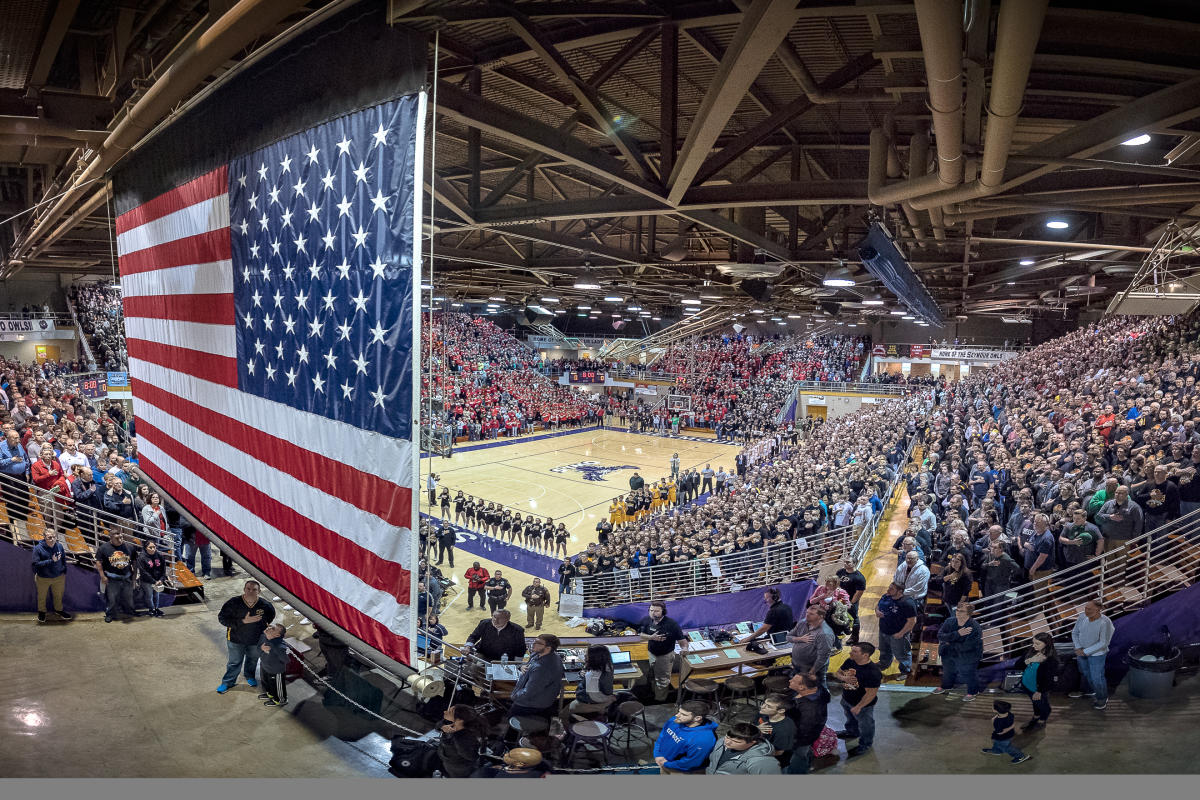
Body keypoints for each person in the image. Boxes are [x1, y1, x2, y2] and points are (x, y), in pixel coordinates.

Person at [216, 579, 276, 693]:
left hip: (255, 640)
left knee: (253, 660)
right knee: (234, 662)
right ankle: (227, 682)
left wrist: (262, 627)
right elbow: (222, 618)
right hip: (235, 639)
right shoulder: (233, 603)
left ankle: (250, 676)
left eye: (254, 589)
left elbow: (270, 617)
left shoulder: (265, 606)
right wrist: (243, 621)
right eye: (248, 589)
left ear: (259, 591)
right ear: (244, 589)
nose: (251, 591)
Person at [835, 642, 882, 757]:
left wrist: (859, 707)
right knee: (850, 719)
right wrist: (844, 678)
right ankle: (851, 732)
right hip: (846, 699)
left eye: (855, 651)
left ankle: (865, 744)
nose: (850, 652)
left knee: (866, 726)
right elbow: (837, 673)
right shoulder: (850, 661)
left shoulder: (873, 672)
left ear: (865, 655)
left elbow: (871, 694)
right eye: (852, 650)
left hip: (863, 706)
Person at [636, 600, 687, 702]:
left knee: (662, 680)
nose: (653, 613)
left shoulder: (672, 624)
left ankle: (660, 700)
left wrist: (685, 648)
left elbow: (682, 641)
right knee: (652, 675)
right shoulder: (646, 620)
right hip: (651, 653)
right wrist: (651, 637)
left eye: (656, 611)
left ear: (663, 612)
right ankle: (653, 692)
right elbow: (639, 635)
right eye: (651, 610)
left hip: (665, 656)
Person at [1069, 599, 1115, 710]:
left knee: (1097, 678)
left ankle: (1102, 698)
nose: (1086, 611)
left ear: (1098, 610)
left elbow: (1104, 642)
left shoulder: (1106, 622)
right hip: (1081, 651)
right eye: (1085, 608)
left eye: (1089, 609)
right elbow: (1075, 632)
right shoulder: (1082, 617)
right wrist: (1078, 647)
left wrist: (1085, 651)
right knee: (1086, 673)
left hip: (1097, 655)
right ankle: (1092, 691)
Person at [932, 602, 982, 700]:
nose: (958, 613)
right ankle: (946, 686)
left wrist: (949, 642)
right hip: (949, 653)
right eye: (957, 610)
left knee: (968, 673)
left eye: (962, 611)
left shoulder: (975, 627)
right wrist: (957, 634)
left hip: (968, 655)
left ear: (969, 613)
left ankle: (973, 692)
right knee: (948, 671)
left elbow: (967, 646)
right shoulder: (949, 621)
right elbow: (940, 635)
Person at [653, 700, 718, 774]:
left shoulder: (703, 739)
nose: (677, 715)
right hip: (663, 761)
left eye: (683, 714)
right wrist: (658, 755)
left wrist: (666, 764)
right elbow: (662, 737)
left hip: (682, 771)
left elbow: (691, 762)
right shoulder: (675, 720)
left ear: (697, 718)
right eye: (679, 712)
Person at [508, 634, 564, 720]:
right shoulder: (544, 655)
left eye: (538, 643)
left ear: (548, 648)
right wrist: (522, 666)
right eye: (535, 641)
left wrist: (515, 696)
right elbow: (529, 664)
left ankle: (513, 732)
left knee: (511, 717)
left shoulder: (542, 668)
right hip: (537, 698)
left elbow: (529, 692)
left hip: (533, 704)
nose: (533, 644)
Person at [786, 671, 830, 774]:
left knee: (799, 755)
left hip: (802, 739)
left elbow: (804, 731)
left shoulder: (811, 710)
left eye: (793, 681)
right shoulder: (815, 689)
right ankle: (807, 760)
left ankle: (797, 773)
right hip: (805, 733)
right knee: (805, 752)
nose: (790, 680)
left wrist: (792, 741)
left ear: (802, 687)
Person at [1014, 632, 1058, 730]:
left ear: (1047, 644)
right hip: (1027, 685)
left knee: (1044, 706)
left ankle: (1042, 720)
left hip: (1038, 689)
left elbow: (1048, 679)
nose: (1034, 646)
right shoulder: (1031, 651)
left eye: (1037, 644)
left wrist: (1040, 691)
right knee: (1035, 703)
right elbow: (1017, 666)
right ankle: (1036, 717)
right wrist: (1030, 660)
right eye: (1033, 643)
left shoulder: (1051, 660)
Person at [562, 645, 616, 724]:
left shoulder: (592, 676)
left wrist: (606, 702)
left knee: (562, 714)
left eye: (587, 655)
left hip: (591, 702)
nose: (584, 655)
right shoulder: (608, 666)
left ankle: (568, 733)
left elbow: (593, 696)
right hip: (602, 697)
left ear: (594, 659)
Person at [704, 722, 782, 774]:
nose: (727, 742)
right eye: (727, 737)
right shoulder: (723, 741)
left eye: (736, 742)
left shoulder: (762, 762)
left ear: (752, 742)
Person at [95, 530, 138, 623]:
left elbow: (135, 561)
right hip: (112, 578)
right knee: (112, 599)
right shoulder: (103, 548)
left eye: (121, 537)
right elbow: (98, 562)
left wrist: (134, 576)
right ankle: (110, 614)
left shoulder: (129, 547)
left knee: (129, 597)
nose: (120, 540)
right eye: (117, 538)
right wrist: (102, 576)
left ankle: (130, 611)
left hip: (127, 577)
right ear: (111, 538)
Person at [875, 582, 917, 676]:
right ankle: (883, 664)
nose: (888, 590)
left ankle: (905, 671)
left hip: (898, 634)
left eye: (891, 589)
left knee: (902, 654)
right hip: (883, 631)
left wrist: (901, 633)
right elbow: (878, 605)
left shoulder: (907, 603)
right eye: (889, 588)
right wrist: (877, 611)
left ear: (900, 591)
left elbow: (912, 621)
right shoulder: (886, 596)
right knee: (884, 650)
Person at [31, 529, 73, 622]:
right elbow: (35, 564)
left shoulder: (59, 546)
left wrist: (64, 570)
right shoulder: (38, 548)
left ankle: (59, 610)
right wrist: (51, 561)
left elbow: (63, 559)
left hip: (58, 577)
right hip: (43, 578)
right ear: (45, 538)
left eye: (54, 537)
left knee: (58, 595)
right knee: (42, 596)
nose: (52, 539)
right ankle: (42, 612)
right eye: (50, 537)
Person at [438, 704, 489, 778]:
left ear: (460, 720)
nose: (445, 711)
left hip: (459, 768)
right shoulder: (452, 723)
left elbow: (471, 756)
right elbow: (438, 725)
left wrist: (454, 735)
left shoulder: (464, 739)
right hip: (449, 762)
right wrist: (442, 727)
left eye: (450, 712)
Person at [788, 604, 835, 682]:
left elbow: (823, 656)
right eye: (807, 612)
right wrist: (800, 639)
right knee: (798, 687)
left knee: (818, 689)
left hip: (812, 670)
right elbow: (788, 637)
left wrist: (812, 672)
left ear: (821, 616)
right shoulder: (803, 622)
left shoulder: (825, 634)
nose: (807, 615)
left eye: (811, 614)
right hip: (797, 665)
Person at [981, 699, 1030, 764]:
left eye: (992, 706)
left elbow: (1000, 732)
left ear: (996, 710)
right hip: (1009, 734)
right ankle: (997, 751)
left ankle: (1020, 756)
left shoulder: (997, 722)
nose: (991, 707)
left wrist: (1011, 726)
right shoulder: (1009, 713)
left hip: (1003, 737)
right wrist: (995, 717)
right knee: (996, 742)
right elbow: (1000, 715)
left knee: (1007, 748)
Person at [756, 694, 797, 769]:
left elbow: (778, 752)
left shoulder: (784, 730)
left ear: (781, 710)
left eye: (768, 706)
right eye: (763, 703)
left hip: (772, 761)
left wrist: (754, 755)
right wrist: (756, 729)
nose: (762, 707)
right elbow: (753, 725)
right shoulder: (763, 713)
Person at [257, 622, 289, 706]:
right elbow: (257, 648)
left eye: (273, 628)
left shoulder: (279, 646)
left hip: (275, 670)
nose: (269, 628)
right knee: (266, 682)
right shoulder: (263, 637)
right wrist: (262, 648)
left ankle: (280, 700)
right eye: (270, 626)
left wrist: (273, 650)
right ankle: (270, 694)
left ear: (277, 635)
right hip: (264, 665)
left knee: (277, 686)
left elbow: (285, 660)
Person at [836, 556, 867, 643]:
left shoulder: (859, 577)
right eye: (845, 562)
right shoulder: (840, 572)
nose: (845, 564)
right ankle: (840, 633)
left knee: (854, 618)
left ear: (854, 563)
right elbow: (836, 583)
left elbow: (859, 593)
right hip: (839, 599)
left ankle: (854, 637)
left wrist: (850, 603)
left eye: (848, 562)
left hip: (851, 600)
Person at [135, 539, 169, 618]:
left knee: (156, 594)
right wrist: (154, 581)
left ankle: (156, 608)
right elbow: (143, 572)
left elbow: (163, 568)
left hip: (158, 580)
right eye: (150, 547)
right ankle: (151, 609)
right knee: (149, 596)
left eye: (154, 547)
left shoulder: (159, 555)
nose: (153, 549)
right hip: (147, 581)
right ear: (146, 548)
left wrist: (161, 579)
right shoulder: (142, 557)